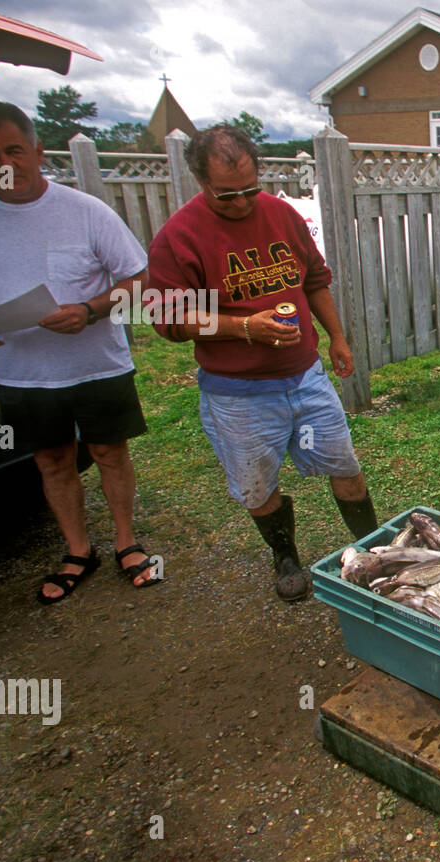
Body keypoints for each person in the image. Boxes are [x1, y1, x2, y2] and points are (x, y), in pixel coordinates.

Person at [147, 125, 376, 601]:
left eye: (250, 188)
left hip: (305, 374)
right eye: (226, 195)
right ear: (200, 180)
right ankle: (285, 555)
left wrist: (336, 337)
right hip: (237, 390)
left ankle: (371, 549)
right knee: (256, 486)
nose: (242, 202)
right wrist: (243, 327)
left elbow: (314, 278)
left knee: (344, 464)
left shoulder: (279, 213)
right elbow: (169, 320)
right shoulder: (179, 237)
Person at [0, 98, 161, 603]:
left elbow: (139, 279)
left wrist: (90, 310)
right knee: (50, 459)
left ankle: (126, 540)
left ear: (37, 150)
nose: (5, 165)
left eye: (14, 150)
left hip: (95, 361)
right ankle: (77, 549)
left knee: (109, 451)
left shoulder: (84, 211)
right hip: (20, 368)